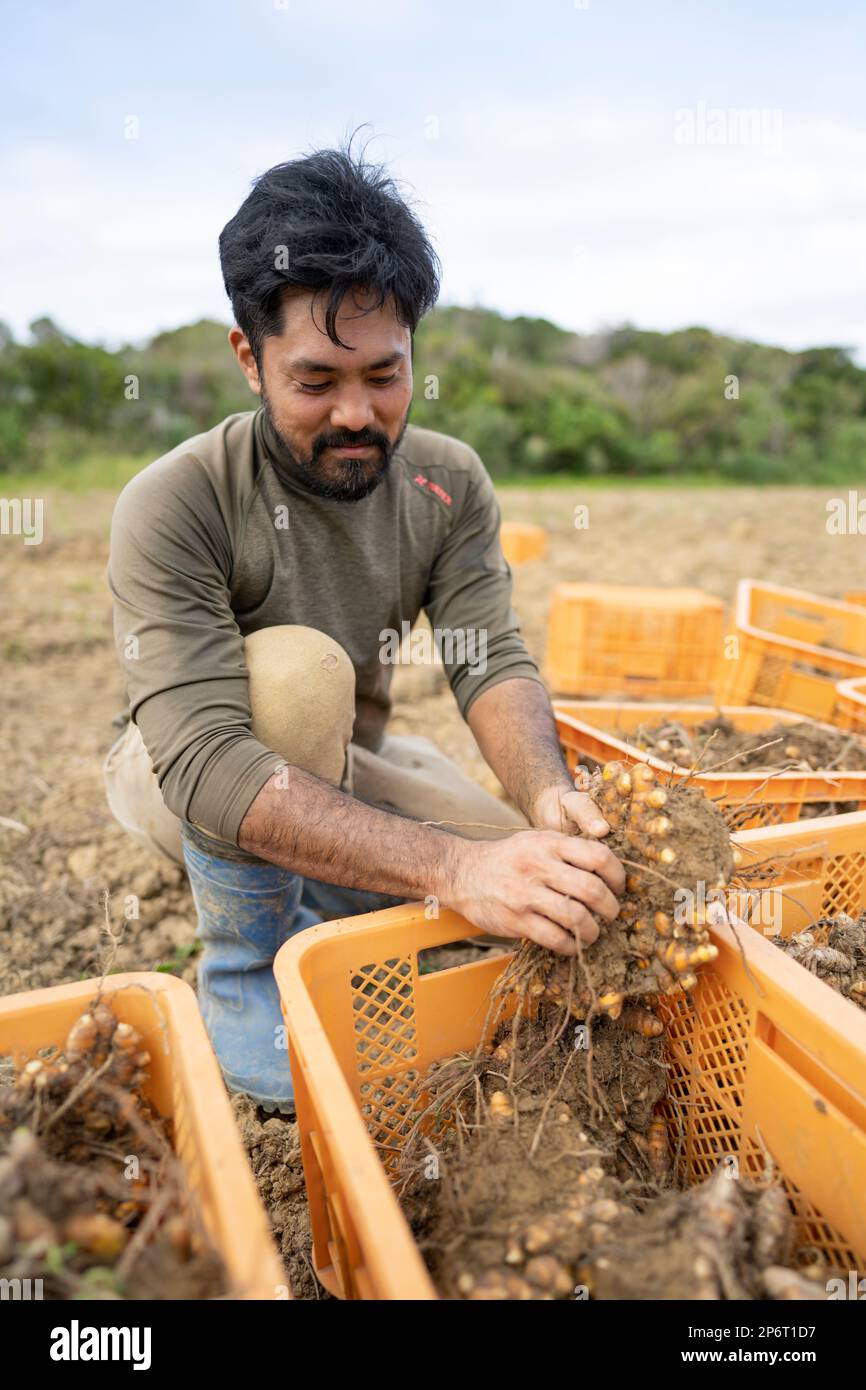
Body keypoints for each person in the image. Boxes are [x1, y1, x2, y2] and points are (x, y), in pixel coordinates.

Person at [105, 139, 624, 1113]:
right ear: (247, 358)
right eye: (315, 381)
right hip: (177, 772)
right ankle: (247, 966)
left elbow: (486, 654)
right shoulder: (173, 500)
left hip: (342, 757)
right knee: (299, 678)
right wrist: (453, 869)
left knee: (553, 887)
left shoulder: (446, 478)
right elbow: (210, 759)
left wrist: (545, 799)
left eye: (384, 375)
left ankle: (343, 870)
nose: (357, 412)